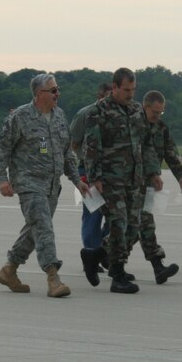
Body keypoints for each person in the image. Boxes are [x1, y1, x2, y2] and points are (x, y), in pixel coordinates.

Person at [0, 73, 89, 298]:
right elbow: (3, 148)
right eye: (53, 90)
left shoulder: (59, 116)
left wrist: (77, 181)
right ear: (38, 94)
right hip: (28, 183)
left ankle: (9, 270)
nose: (58, 94)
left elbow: (66, 153)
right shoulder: (20, 117)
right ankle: (53, 277)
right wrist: (1, 179)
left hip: (52, 186)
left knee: (35, 229)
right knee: (44, 227)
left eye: (57, 89)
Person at [85, 68, 161, 293]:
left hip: (135, 179)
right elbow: (92, 147)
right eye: (126, 90)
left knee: (134, 227)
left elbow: (146, 143)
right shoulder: (99, 111)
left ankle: (96, 255)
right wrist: (95, 178)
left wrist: (154, 171)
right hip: (111, 179)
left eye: (133, 90)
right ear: (115, 87)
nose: (130, 94)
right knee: (118, 224)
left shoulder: (137, 110)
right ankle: (117, 275)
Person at [138, 91, 182, 284]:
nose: (157, 116)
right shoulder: (134, 125)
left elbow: (170, 153)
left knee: (135, 227)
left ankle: (101, 253)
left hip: (150, 183)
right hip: (130, 183)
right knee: (144, 224)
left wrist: (180, 177)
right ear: (145, 106)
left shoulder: (161, 127)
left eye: (161, 112)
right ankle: (158, 266)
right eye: (155, 112)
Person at [70, 82, 112, 284]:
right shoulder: (85, 114)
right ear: (99, 95)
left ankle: (104, 249)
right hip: (87, 171)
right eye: (106, 97)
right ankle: (91, 255)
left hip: (113, 173)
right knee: (93, 215)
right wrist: (87, 161)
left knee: (116, 216)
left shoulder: (119, 115)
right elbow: (73, 141)